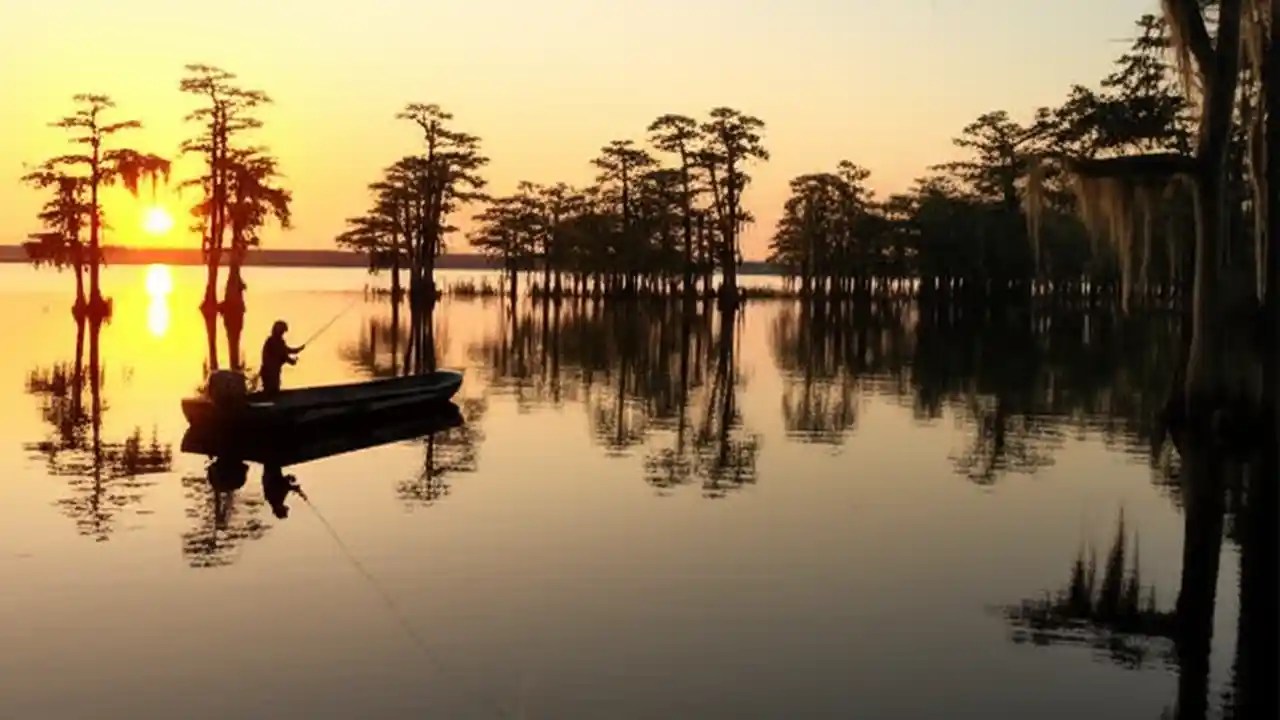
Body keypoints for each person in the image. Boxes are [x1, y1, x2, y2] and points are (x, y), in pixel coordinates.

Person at [260, 320, 304, 395]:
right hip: (270, 373)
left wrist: (298, 350)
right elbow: (283, 354)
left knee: (272, 390)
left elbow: (285, 350)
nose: (283, 333)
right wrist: (291, 361)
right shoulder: (273, 342)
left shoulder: (274, 341)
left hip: (271, 372)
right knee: (272, 391)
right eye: (282, 331)